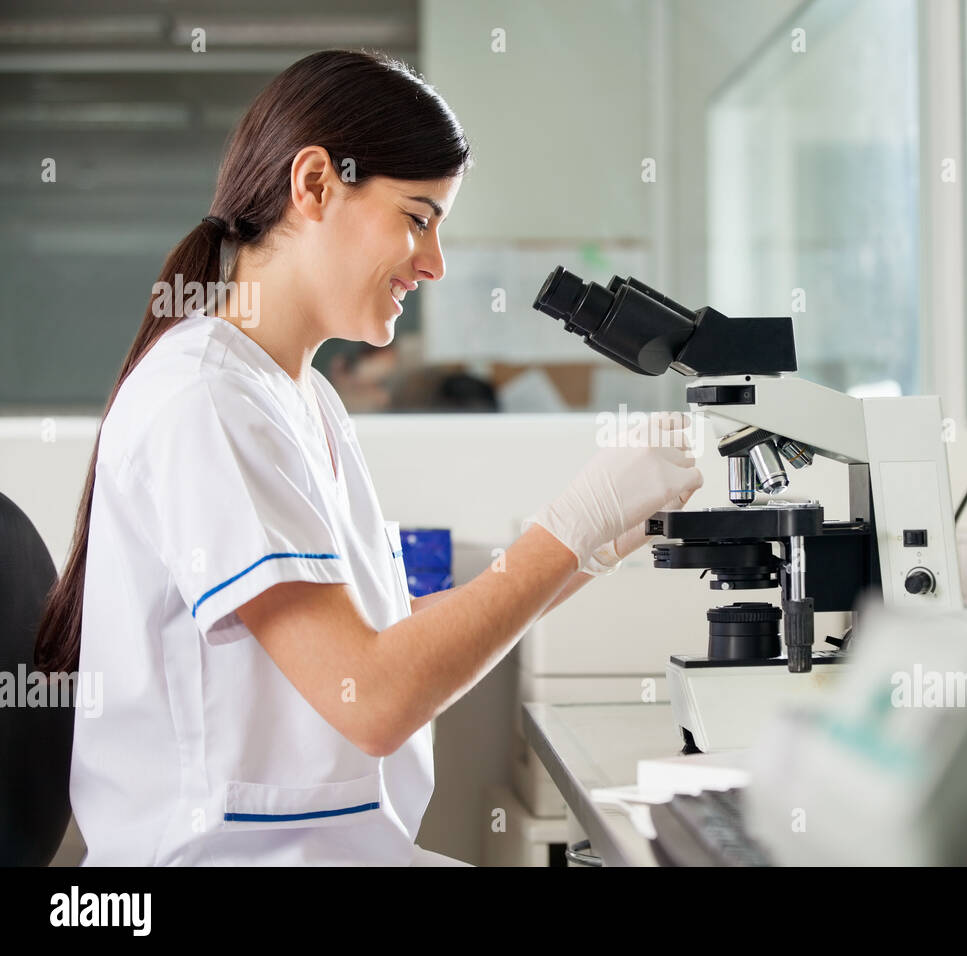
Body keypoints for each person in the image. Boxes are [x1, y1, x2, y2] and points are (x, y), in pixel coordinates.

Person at [33, 50, 702, 867]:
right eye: (418, 217)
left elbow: (380, 644)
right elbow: (375, 696)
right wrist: (567, 528)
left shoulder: (301, 396)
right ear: (313, 185)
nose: (435, 263)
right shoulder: (207, 399)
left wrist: (593, 547)